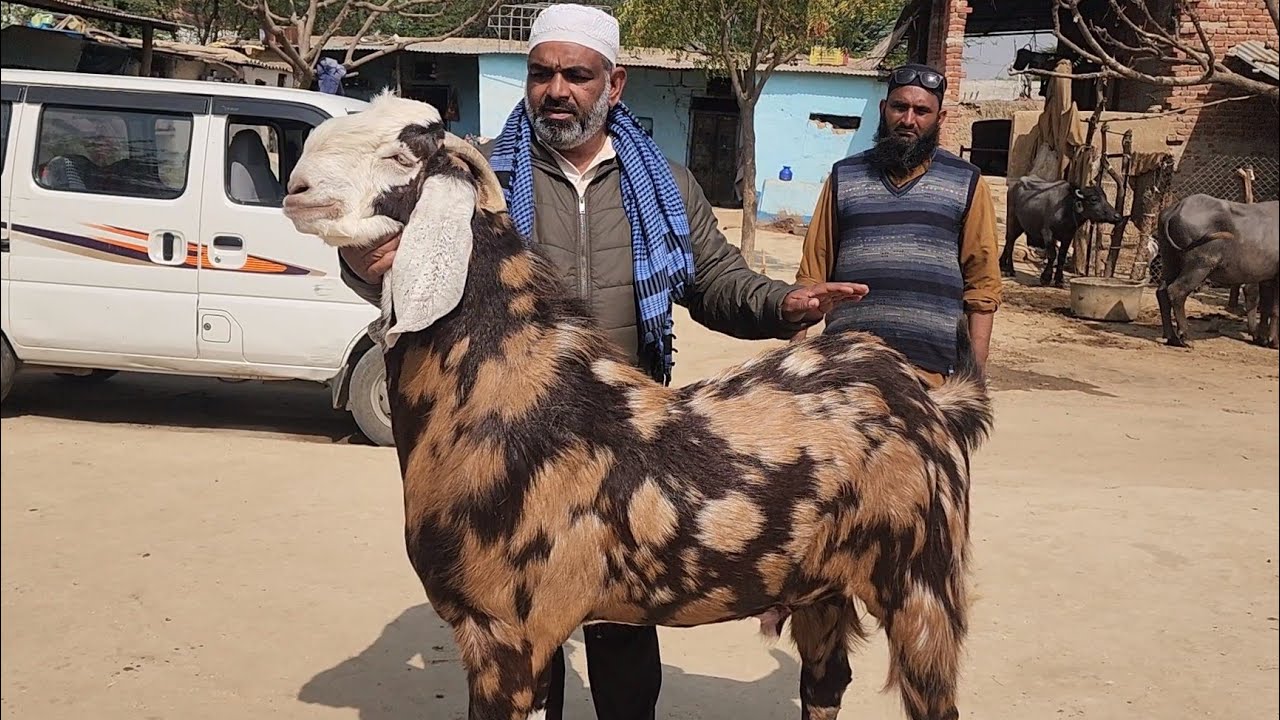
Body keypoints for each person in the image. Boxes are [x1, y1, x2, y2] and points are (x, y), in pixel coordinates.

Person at [336, 4, 867, 719]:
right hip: (512, 443)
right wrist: (364, 264)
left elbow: (714, 280)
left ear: (613, 85)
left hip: (629, 441)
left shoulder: (663, 183)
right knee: (521, 630)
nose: (556, 90)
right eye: (541, 73)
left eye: (577, 75)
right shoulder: (479, 181)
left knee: (626, 623)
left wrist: (784, 304)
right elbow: (402, 264)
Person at [793, 62, 1002, 386]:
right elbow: (811, 277)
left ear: (940, 118)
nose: (908, 120)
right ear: (883, 109)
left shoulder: (967, 183)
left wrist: (974, 380)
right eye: (899, 107)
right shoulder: (844, 177)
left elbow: (982, 287)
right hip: (846, 378)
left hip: (930, 380)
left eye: (922, 111)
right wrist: (793, 362)